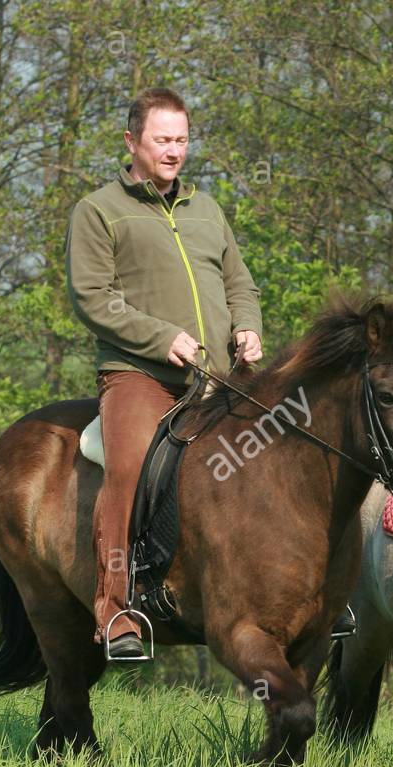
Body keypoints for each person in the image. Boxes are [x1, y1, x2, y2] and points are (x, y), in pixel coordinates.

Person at [66, 87, 263, 659]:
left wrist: (247, 326)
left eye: (181, 140)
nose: (174, 151)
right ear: (132, 142)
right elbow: (92, 299)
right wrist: (164, 338)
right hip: (139, 375)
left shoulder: (207, 208)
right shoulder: (98, 210)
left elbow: (239, 284)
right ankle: (116, 609)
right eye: (162, 140)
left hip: (222, 376)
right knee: (129, 465)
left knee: (286, 452)